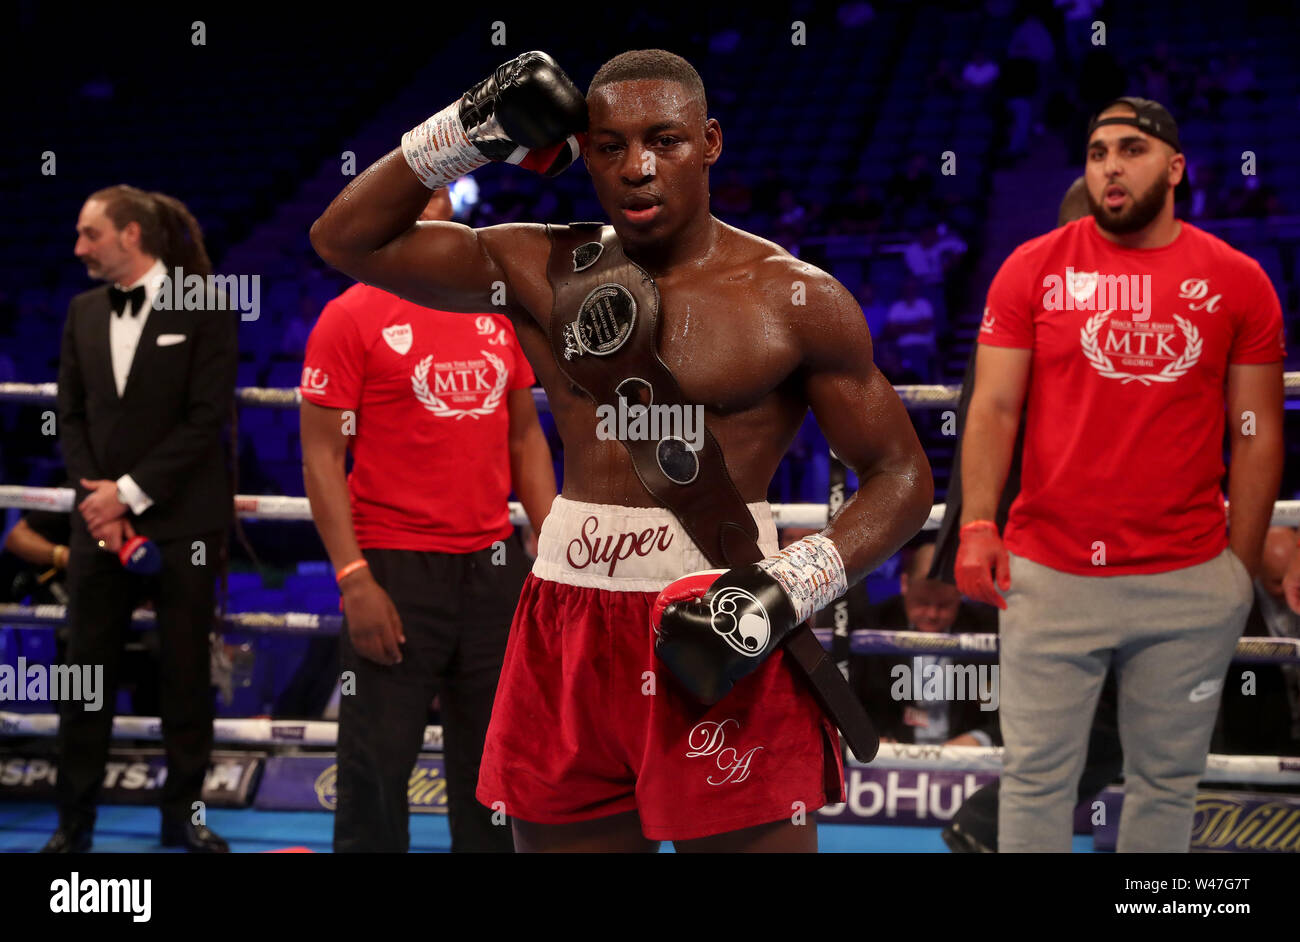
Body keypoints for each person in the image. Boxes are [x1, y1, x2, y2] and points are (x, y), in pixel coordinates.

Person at [311, 49, 933, 852]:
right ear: (584, 153)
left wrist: (786, 589)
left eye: (664, 141)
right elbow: (345, 239)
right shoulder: (538, 266)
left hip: (723, 621)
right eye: (610, 146)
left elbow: (902, 476)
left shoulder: (793, 299)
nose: (637, 168)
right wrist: (467, 129)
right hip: (564, 627)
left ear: (709, 142)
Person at [957, 97, 1286, 853]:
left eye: (1131, 149)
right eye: (1099, 150)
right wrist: (978, 522)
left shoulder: (1238, 282)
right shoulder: (1032, 268)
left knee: (1166, 785)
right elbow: (995, 409)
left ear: (1174, 168)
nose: (1110, 165)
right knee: (1037, 778)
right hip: (1050, 570)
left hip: (1187, 576)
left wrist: (1235, 568)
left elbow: (1257, 431)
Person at [300, 185, 556, 853]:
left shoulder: (494, 312)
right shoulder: (349, 317)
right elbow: (322, 457)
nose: (428, 199)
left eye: (439, 189)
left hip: (493, 568)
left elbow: (525, 437)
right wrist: (354, 578)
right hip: (392, 568)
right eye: (413, 188)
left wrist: (554, 548)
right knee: (375, 768)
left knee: (495, 767)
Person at [936, 175, 1125, 854]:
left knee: (1101, 710)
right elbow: (997, 420)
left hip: (1042, 546)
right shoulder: (1058, 304)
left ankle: (993, 827)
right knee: (1127, 715)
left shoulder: (1034, 295)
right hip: (1055, 545)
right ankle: (990, 825)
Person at [48, 185, 238, 853]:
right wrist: (97, 498)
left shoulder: (206, 304)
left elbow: (204, 419)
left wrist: (124, 494)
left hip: (182, 521)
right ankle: (73, 826)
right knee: (85, 675)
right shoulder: (82, 311)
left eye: (89, 234)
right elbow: (69, 415)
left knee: (186, 675)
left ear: (130, 235)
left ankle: (181, 818)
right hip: (99, 527)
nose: (78, 249)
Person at [851, 543, 999, 746]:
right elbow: (854, 702)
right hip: (891, 756)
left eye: (944, 605)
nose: (932, 614)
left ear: (960, 591)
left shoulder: (985, 629)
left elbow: (1007, 710)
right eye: (922, 602)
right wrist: (873, 740)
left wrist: (979, 739)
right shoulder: (872, 627)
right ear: (904, 585)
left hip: (964, 758)